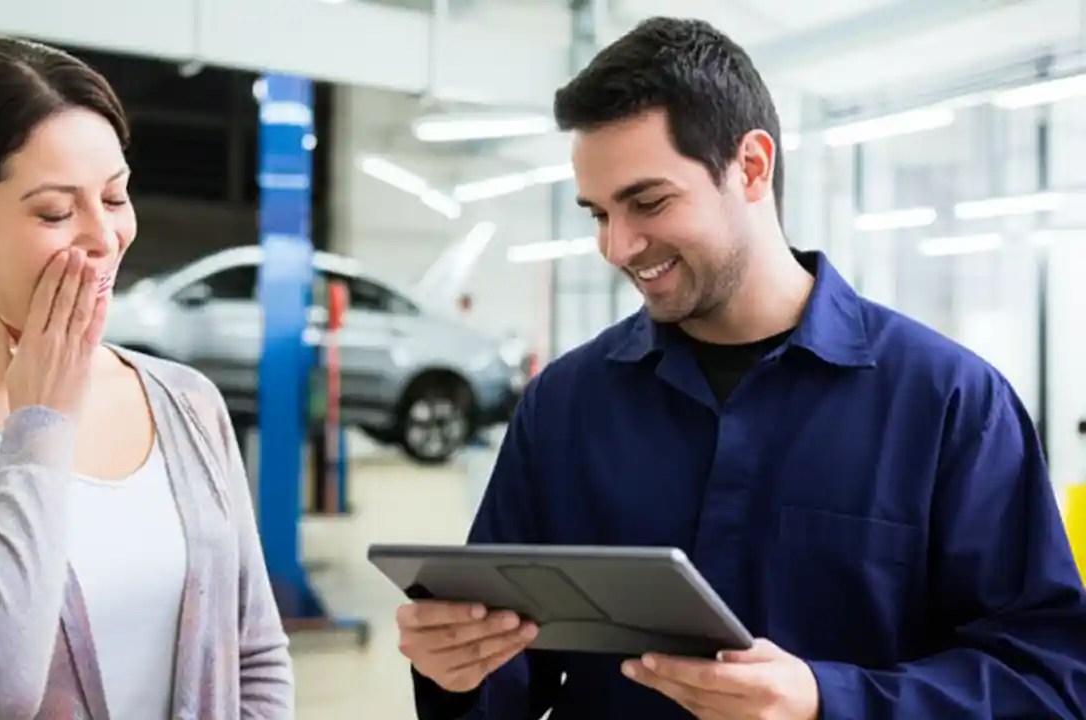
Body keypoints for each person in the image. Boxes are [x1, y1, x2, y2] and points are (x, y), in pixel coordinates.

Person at [397, 16, 1086, 720]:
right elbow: (513, 674)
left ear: (751, 167)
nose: (617, 245)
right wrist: (459, 672)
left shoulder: (949, 404)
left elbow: (1048, 682)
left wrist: (828, 702)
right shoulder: (566, 407)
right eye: (598, 213)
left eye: (648, 201)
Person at [0, 38, 293, 719]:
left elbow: (257, 659)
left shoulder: (187, 403)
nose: (105, 237)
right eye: (56, 212)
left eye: (116, 196)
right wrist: (42, 422)